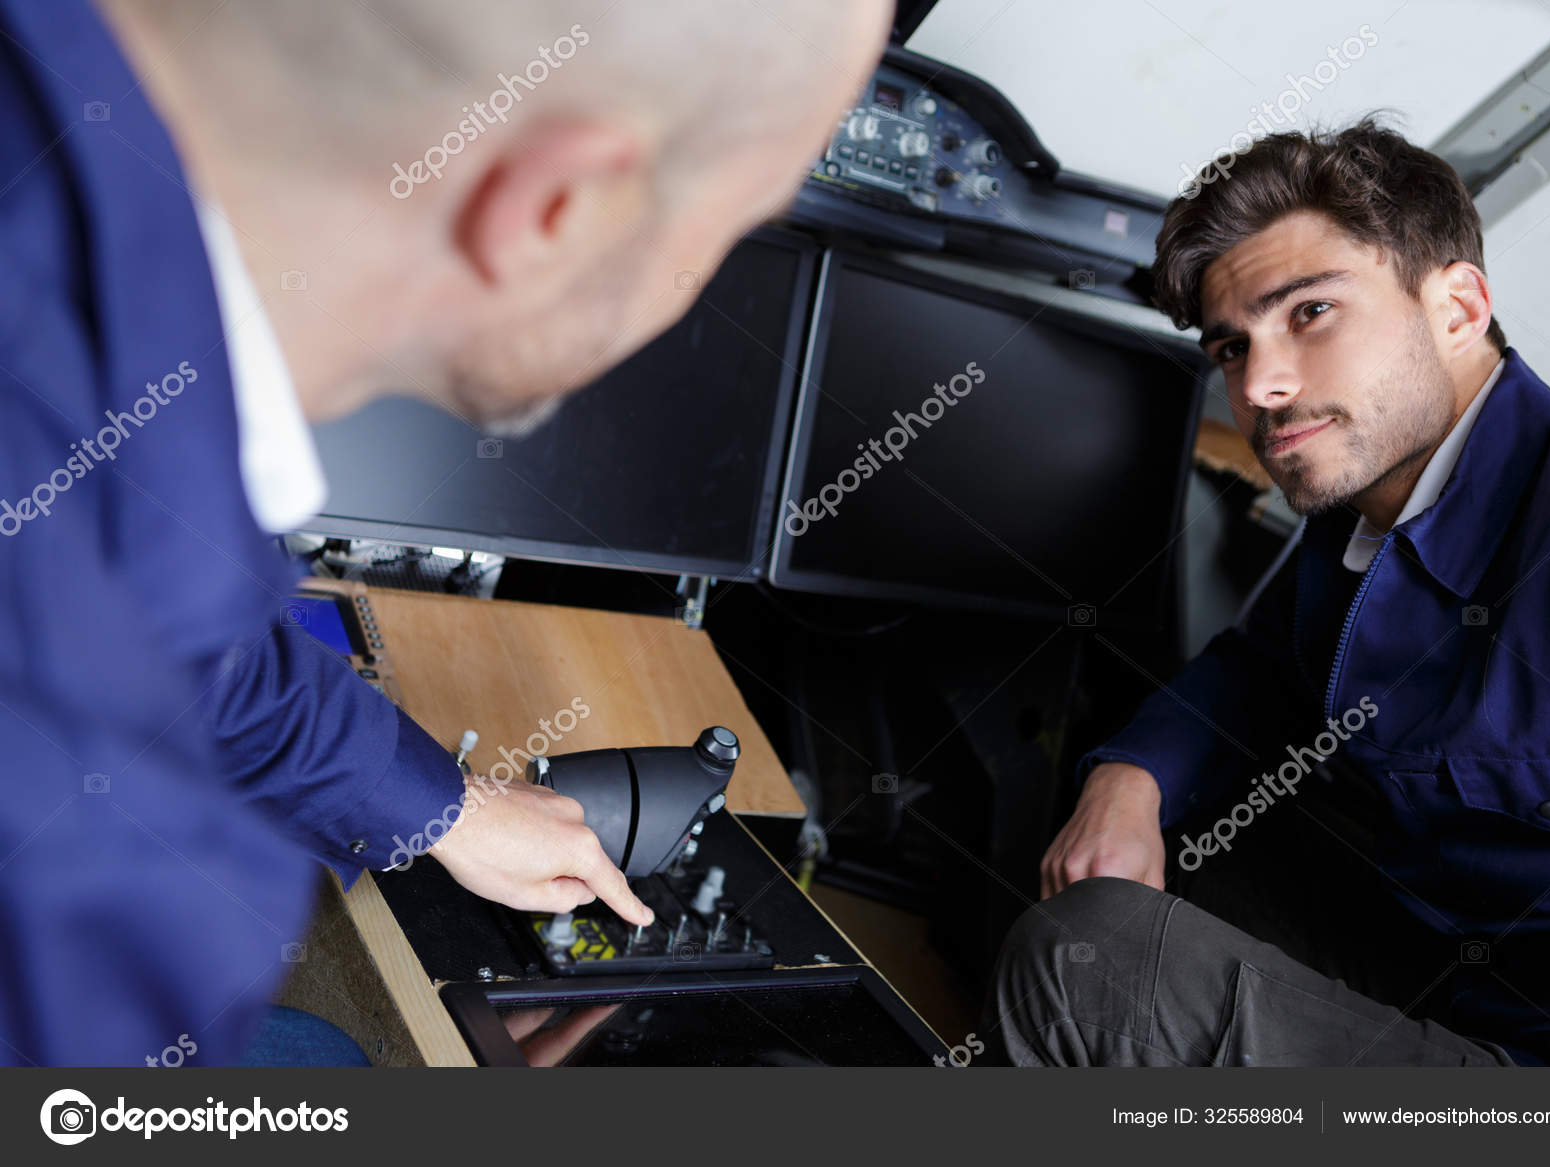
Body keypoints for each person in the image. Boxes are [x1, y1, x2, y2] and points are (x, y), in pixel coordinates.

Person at [0, 0, 888, 1065]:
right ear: (555, 209)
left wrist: (445, 807)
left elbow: (205, 655)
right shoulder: (96, 822)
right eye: (730, 234)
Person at [990, 117, 1550, 1067]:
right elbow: (1262, 673)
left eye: (1310, 312)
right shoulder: (1361, 500)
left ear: (1458, 308)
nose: (1264, 385)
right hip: (1453, 964)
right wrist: (1128, 778)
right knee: (1184, 849)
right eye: (1233, 349)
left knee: (1089, 961)